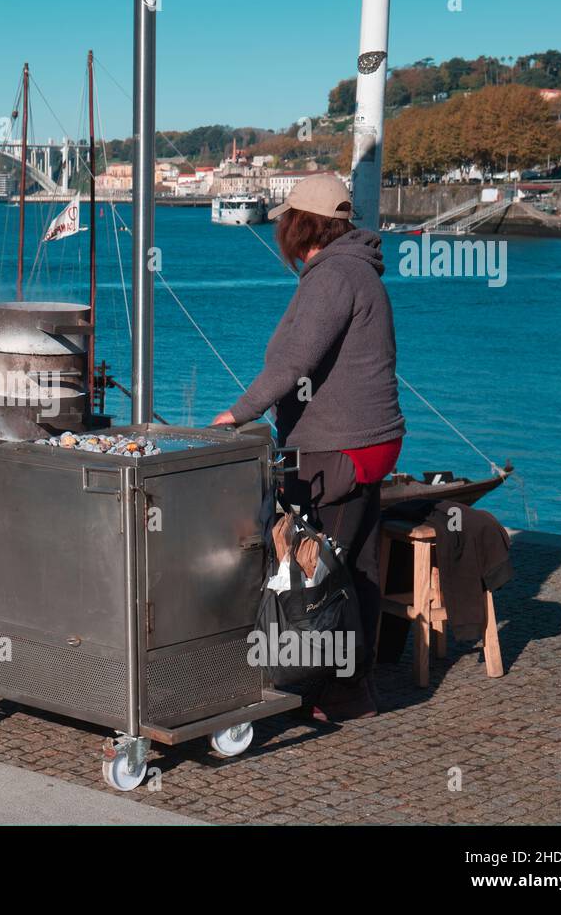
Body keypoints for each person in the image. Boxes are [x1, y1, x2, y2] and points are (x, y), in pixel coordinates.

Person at [212, 174, 405, 721]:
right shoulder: (355, 268)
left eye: (284, 219)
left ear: (300, 223)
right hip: (371, 441)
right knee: (354, 562)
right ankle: (350, 684)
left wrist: (238, 413)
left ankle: (339, 692)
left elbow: (293, 361)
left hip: (340, 446)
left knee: (322, 571)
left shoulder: (332, 277)